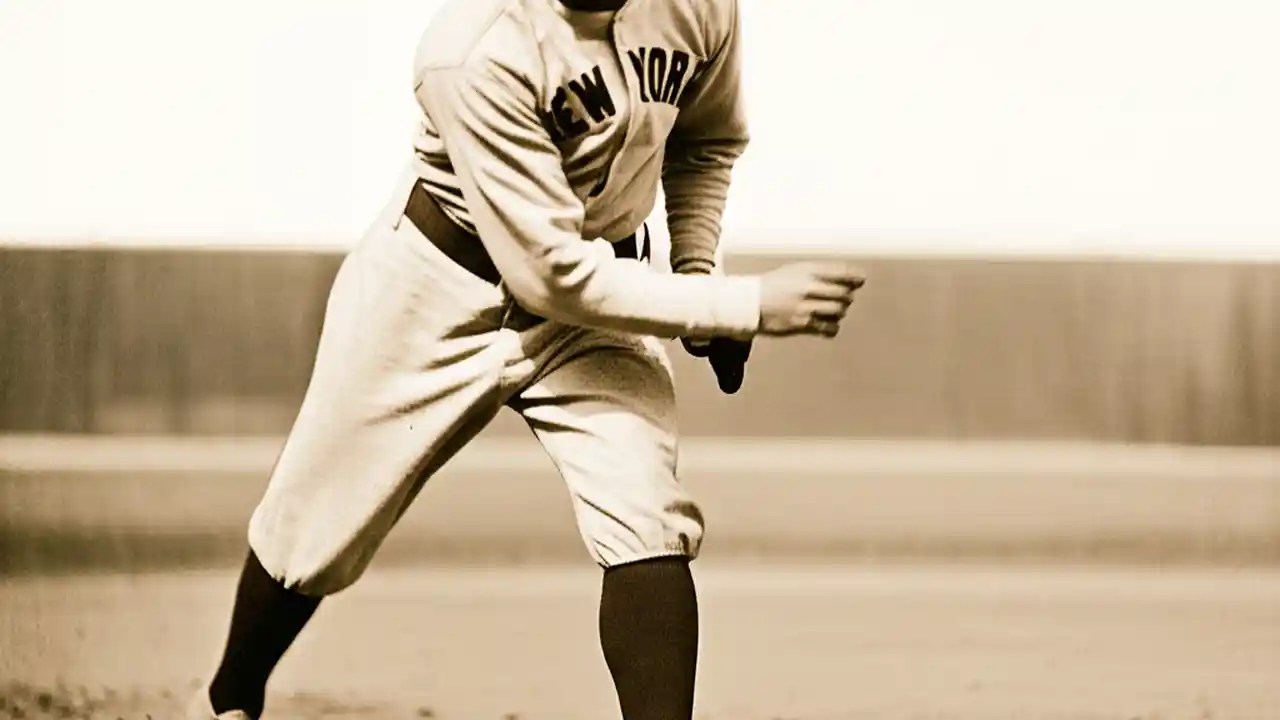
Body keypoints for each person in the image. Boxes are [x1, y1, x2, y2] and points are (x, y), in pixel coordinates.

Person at [188, 0, 865, 717]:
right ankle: (226, 701)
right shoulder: (475, 48)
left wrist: (697, 271)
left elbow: (704, 142)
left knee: (645, 510)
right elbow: (551, 275)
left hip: (604, 296)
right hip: (437, 288)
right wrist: (742, 306)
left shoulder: (696, 6)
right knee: (312, 530)